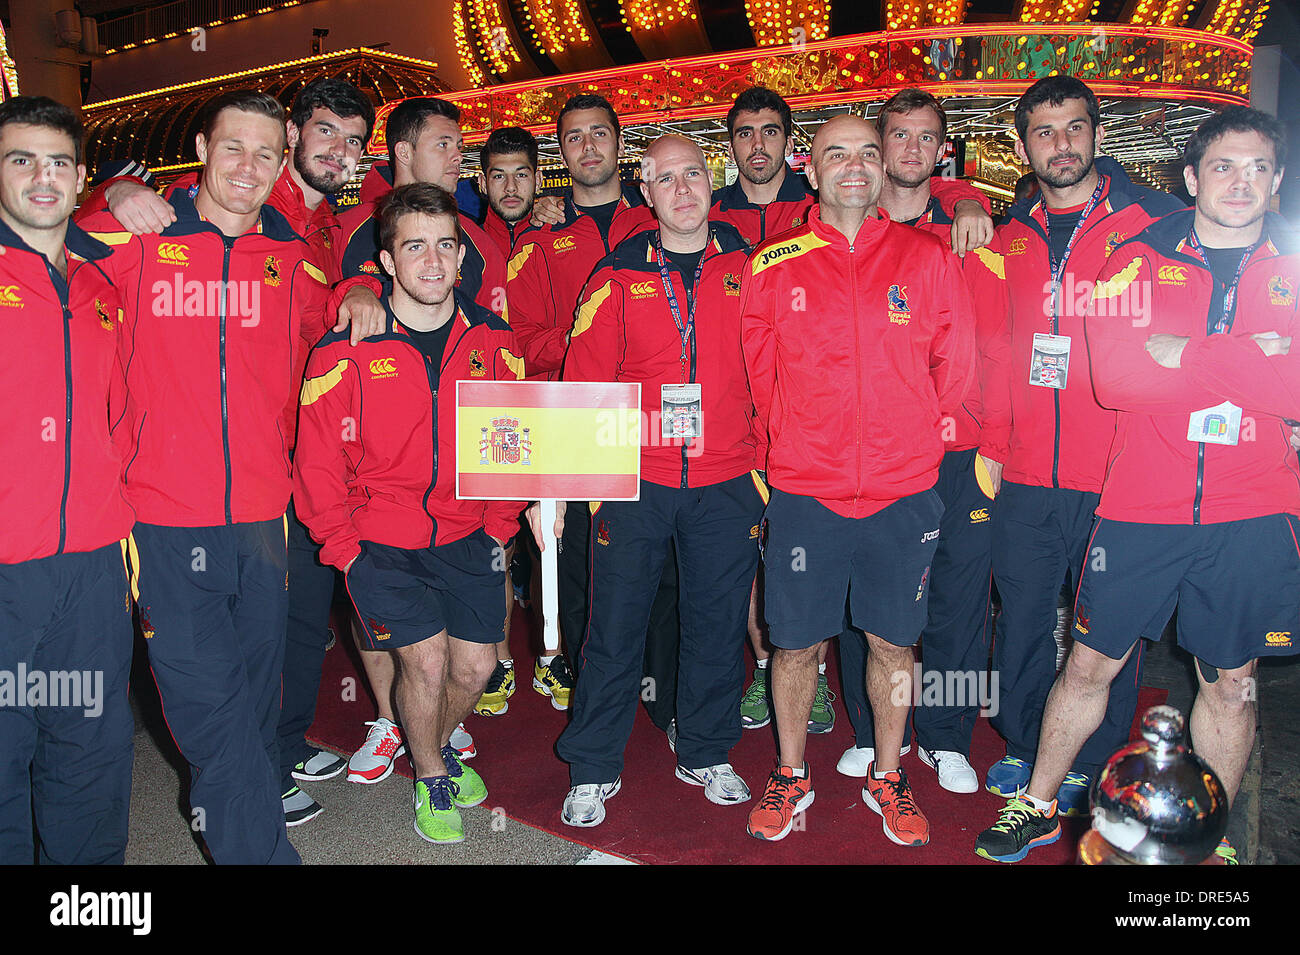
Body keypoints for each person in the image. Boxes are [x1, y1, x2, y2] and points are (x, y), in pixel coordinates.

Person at [976, 105, 1296, 863]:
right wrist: (1253, 358)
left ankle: (1207, 832)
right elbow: (1116, 376)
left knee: (1230, 682)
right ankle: (1040, 801)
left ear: (1277, 179)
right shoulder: (1137, 259)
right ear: (1192, 178)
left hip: (1252, 508)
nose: (1240, 181)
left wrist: (1181, 352)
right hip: (1139, 505)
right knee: (1087, 664)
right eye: (1223, 166)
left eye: (1257, 167)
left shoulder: (1291, 267)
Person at [81, 77, 382, 825]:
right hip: (161, 515)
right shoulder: (141, 237)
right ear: (201, 152)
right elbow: (32, 235)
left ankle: (244, 800)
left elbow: (332, 317)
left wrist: (357, 286)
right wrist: (108, 195)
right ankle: (252, 835)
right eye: (232, 149)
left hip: (262, 516)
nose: (248, 167)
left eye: (264, 152)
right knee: (209, 703)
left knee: (253, 688)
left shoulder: (290, 256)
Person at [715, 86, 994, 739]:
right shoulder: (772, 264)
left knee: (895, 644)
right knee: (797, 645)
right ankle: (790, 770)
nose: (855, 165)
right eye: (836, 153)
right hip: (807, 492)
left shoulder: (927, 258)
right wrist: (789, 451)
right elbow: (760, 381)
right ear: (811, 169)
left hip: (903, 492)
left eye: (868, 152)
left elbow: (955, 372)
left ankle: (890, 773)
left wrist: (908, 435)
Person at [533, 133, 760, 828]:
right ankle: (595, 763)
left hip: (727, 478)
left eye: (695, 174)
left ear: (711, 181)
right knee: (614, 625)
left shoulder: (752, 269)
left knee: (718, 625)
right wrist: (560, 490)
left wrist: (770, 471)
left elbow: (782, 371)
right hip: (634, 480)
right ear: (647, 191)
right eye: (668, 179)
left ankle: (705, 746)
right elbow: (583, 385)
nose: (684, 190)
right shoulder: (615, 276)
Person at [975, 75, 1182, 815]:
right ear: (1022, 144)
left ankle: (1091, 757)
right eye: (1043, 132)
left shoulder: (1158, 222)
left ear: (1096, 133)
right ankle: (1028, 745)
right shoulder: (1008, 232)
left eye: (1073, 128)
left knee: (1104, 630)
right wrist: (993, 445)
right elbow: (993, 348)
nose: (1060, 145)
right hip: (1026, 472)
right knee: (1023, 617)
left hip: (1119, 472)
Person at [295, 182, 525, 844]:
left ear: (461, 256)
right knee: (423, 665)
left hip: (470, 534)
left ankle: (439, 743)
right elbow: (316, 466)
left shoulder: (496, 342)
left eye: (445, 246)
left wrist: (499, 524)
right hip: (379, 542)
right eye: (414, 247)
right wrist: (346, 549)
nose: (432, 262)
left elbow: (511, 446)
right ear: (387, 262)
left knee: (476, 669)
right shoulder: (343, 352)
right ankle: (430, 772)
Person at [834, 89, 1006, 793]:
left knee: (960, 597)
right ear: (878, 147)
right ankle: (870, 731)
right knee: (867, 596)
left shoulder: (977, 231)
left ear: (943, 150)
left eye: (924, 137)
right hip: (869, 450)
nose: (910, 149)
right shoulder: (846, 225)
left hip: (958, 449)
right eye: (896, 135)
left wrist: (992, 439)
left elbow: (998, 345)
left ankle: (946, 735)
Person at [335, 96, 497, 780]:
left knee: (468, 655)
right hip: (378, 476)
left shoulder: (477, 236)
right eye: (445, 143)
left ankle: (424, 721)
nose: (459, 153)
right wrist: (356, 290)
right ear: (401, 151)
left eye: (462, 144)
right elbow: (330, 338)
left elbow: (490, 343)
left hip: (463, 481)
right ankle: (389, 716)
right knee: (393, 620)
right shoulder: (349, 229)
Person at [0, 96, 135, 864]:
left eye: (58, 161)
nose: (42, 177)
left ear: (81, 175)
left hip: (89, 567)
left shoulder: (98, 288)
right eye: (22, 159)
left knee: (89, 755)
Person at [507, 94, 656, 714]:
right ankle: (576, 666)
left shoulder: (658, 217)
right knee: (573, 555)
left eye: (600, 134)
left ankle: (653, 676)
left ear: (620, 144)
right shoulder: (540, 236)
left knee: (651, 549)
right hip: (570, 414)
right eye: (574, 138)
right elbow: (520, 338)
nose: (588, 147)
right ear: (561, 152)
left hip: (650, 415)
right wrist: (588, 339)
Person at [473, 125, 540, 718]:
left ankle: (555, 653)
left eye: (522, 173)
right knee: (494, 537)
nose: (511, 186)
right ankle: (497, 658)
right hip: (486, 410)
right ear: (482, 181)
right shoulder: (464, 239)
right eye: (499, 175)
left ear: (538, 176)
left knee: (557, 539)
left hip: (547, 406)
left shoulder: (556, 231)